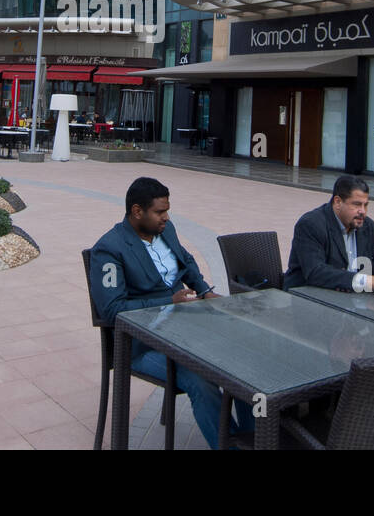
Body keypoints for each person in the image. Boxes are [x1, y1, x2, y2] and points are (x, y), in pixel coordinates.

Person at [90, 177, 255, 449]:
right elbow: (111, 311)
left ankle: (255, 438)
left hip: (188, 328)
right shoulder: (110, 249)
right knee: (202, 381)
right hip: (143, 344)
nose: (166, 217)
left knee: (243, 357)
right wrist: (169, 302)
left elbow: (186, 260)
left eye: (167, 210)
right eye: (159, 212)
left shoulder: (166, 230)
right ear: (137, 211)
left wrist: (203, 290)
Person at [284, 175, 374, 294]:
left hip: (350, 301)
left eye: (365, 205)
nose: (362, 211)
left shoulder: (368, 227)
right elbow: (315, 272)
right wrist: (365, 281)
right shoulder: (311, 224)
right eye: (356, 204)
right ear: (338, 202)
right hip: (305, 299)